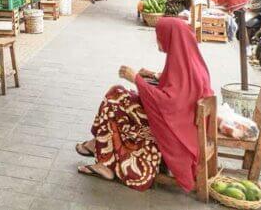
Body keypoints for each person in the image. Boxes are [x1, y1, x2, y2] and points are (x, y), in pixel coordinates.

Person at [75, 18, 213, 192]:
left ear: (170, 37)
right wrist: (154, 75)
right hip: (181, 123)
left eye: (159, 36)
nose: (157, 40)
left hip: (175, 131)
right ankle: (100, 152)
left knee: (115, 99)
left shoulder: (184, 63)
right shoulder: (189, 59)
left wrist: (136, 79)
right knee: (117, 96)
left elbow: (168, 103)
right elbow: (177, 86)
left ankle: (101, 155)